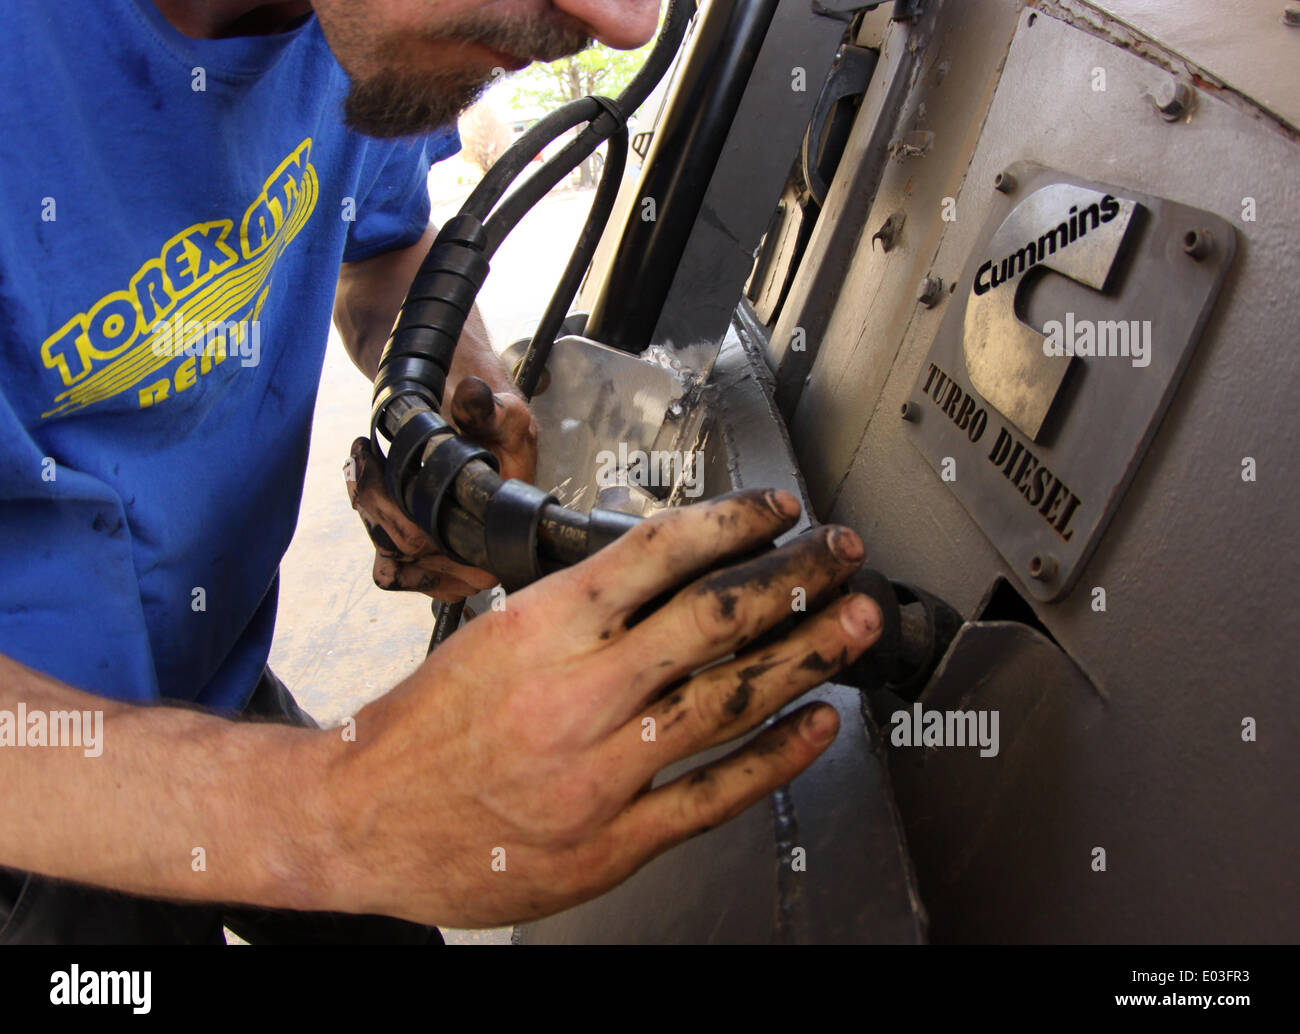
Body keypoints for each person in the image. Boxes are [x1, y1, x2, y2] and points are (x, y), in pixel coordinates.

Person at [0, 0, 882, 944]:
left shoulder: (348, 35)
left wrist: (461, 403)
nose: (624, 24)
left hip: (208, 671)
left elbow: (380, 261)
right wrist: (333, 813)